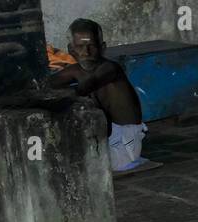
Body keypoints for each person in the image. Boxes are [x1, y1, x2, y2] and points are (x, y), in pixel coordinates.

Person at [48, 18, 151, 173]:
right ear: (71, 50)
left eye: (92, 46)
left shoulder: (110, 68)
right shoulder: (76, 70)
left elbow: (89, 84)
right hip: (109, 137)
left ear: (102, 47)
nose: (86, 52)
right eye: (80, 47)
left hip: (124, 141)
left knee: (78, 169)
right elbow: (47, 84)